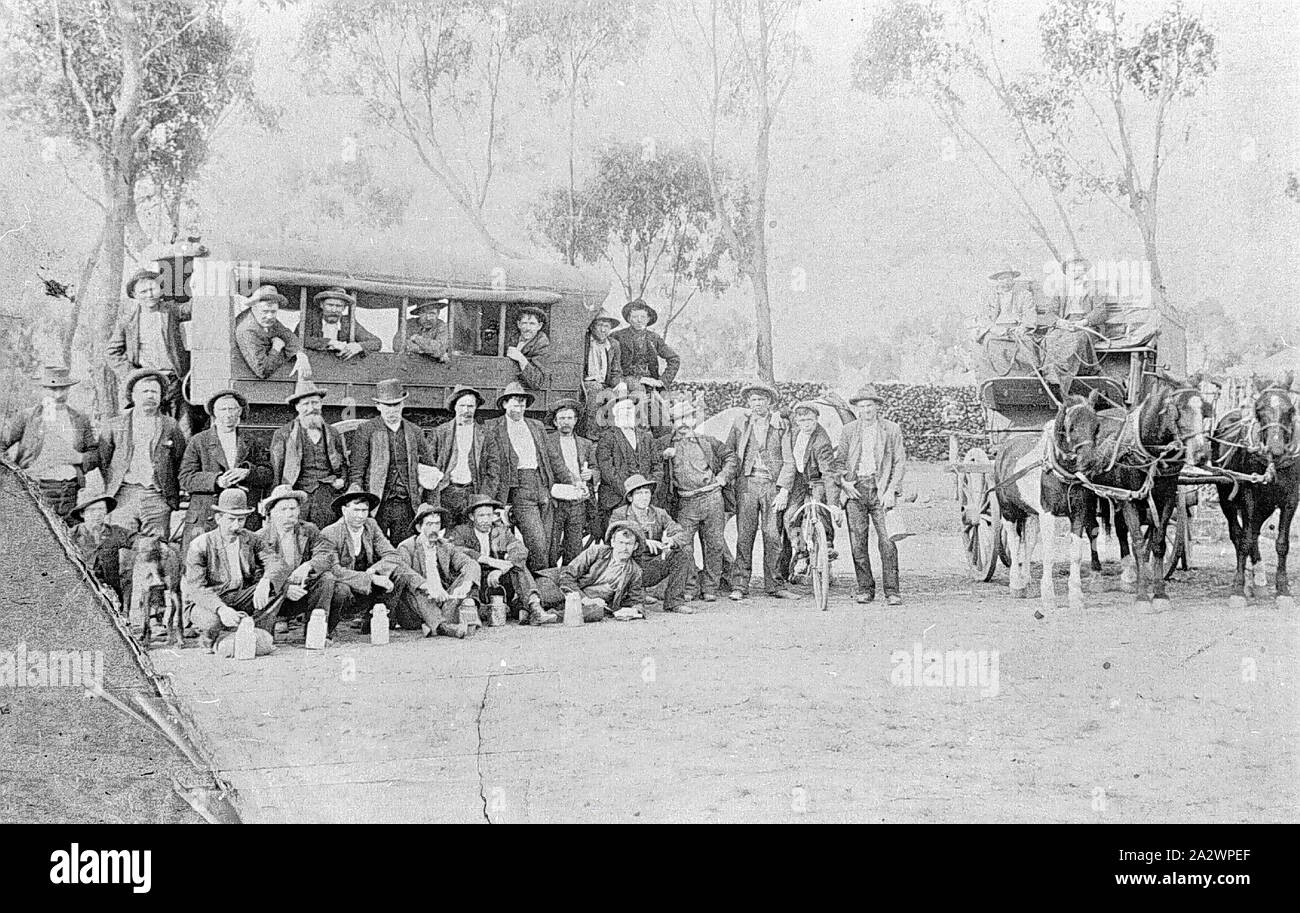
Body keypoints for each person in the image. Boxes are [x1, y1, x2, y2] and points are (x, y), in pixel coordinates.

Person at [182, 488, 289, 652]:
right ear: (218, 518)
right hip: (209, 600)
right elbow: (197, 589)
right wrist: (221, 609)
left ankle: (259, 632)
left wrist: (266, 581)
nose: (236, 525)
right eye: (231, 519)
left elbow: (276, 563)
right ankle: (211, 640)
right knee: (213, 622)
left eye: (241, 520)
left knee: (279, 584)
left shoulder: (251, 538)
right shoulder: (200, 545)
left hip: (240, 595)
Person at [479, 382, 567, 573]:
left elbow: (553, 457)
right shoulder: (493, 427)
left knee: (550, 542)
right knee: (537, 543)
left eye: (522, 404)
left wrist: (571, 481)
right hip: (519, 488)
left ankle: (546, 586)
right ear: (504, 404)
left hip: (542, 485)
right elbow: (490, 464)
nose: (519, 408)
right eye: (515, 403)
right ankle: (537, 586)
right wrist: (487, 499)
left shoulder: (536, 426)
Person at [178, 389, 273, 555]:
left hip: (241, 515)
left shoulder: (251, 441)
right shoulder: (199, 441)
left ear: (240, 411)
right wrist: (217, 480)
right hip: (207, 514)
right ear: (214, 413)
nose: (228, 414)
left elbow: (268, 473)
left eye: (232, 409)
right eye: (223, 409)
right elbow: (185, 478)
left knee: (243, 561)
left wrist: (247, 473)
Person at [725, 381, 796, 601]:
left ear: (769, 403)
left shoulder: (780, 425)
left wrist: (784, 489)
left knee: (772, 536)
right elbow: (728, 452)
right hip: (746, 485)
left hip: (771, 487)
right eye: (754, 400)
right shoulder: (740, 423)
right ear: (748, 403)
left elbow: (789, 460)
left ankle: (775, 585)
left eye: (762, 400)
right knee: (744, 536)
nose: (757, 404)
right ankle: (739, 585)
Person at [836, 385, 906, 606]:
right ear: (857, 409)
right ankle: (865, 589)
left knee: (887, 542)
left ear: (877, 407)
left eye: (870, 405)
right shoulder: (848, 430)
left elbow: (899, 462)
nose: (866, 410)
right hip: (855, 490)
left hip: (881, 488)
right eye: (862, 406)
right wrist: (844, 483)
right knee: (858, 543)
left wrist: (891, 490)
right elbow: (839, 463)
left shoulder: (891, 429)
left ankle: (892, 591)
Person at [661, 398, 736, 603]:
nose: (683, 423)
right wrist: (663, 456)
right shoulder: (666, 444)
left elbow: (730, 457)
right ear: (673, 422)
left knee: (714, 544)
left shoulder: (707, 441)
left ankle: (710, 586)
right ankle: (690, 586)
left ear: (693, 419)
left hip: (712, 498)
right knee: (684, 545)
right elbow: (651, 460)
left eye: (686, 417)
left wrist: (722, 478)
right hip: (686, 501)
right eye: (678, 419)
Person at [99, 369, 187, 539]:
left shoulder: (170, 426)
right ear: (132, 395)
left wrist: (167, 496)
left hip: (156, 496)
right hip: (123, 495)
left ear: (161, 396)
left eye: (154, 391)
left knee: (156, 549)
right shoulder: (115, 425)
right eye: (144, 391)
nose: (150, 396)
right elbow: (104, 460)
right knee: (120, 543)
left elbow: (179, 461)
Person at [319, 487, 422, 634]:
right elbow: (335, 571)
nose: (361, 516)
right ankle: (328, 628)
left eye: (364, 511)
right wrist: (371, 578)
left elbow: (392, 555)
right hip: (347, 585)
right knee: (340, 589)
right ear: (344, 510)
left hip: (368, 586)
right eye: (356, 510)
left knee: (399, 572)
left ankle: (375, 620)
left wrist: (375, 570)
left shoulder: (370, 526)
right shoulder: (331, 533)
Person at [1, 365, 98, 521]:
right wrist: (14, 474)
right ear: (43, 389)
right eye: (53, 389)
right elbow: (2, 444)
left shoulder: (80, 418)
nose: (58, 394)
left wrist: (80, 458)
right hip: (37, 486)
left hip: (70, 489)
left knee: (70, 533)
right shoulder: (28, 417)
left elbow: (95, 453)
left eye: (63, 389)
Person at [347, 378, 438, 544]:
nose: (392, 410)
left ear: (403, 404)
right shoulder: (367, 430)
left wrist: (430, 506)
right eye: (387, 405)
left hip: (406, 503)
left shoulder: (415, 431)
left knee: (405, 547)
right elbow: (357, 470)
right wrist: (357, 502)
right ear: (378, 406)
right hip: (377, 503)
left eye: (396, 405)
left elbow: (431, 471)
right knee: (373, 546)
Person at [448, 495, 551, 625]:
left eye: (489, 515)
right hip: (476, 583)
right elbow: (456, 550)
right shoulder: (461, 532)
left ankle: (534, 606)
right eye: (481, 516)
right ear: (471, 517)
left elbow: (520, 550)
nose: (486, 520)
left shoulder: (500, 531)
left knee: (518, 566)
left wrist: (500, 570)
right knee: (473, 567)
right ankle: (476, 611)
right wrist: (489, 561)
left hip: (498, 580)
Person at [256, 484, 341, 641]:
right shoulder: (260, 538)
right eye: (283, 509)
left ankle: (316, 633)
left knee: (327, 578)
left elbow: (325, 554)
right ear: (271, 513)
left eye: (293, 508)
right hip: (274, 597)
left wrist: (308, 566)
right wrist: (285, 589)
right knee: (263, 643)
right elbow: (257, 575)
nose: (290, 514)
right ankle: (264, 635)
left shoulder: (309, 530)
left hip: (302, 592)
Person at [107, 268, 191, 419]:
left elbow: (192, 308)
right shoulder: (128, 321)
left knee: (182, 431)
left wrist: (200, 284)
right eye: (143, 292)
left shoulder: (171, 310)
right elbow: (112, 352)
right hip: (147, 383)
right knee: (148, 425)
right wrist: (132, 374)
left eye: (153, 289)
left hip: (174, 382)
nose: (149, 295)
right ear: (134, 295)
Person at [269, 379, 349, 527]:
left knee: (327, 536)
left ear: (321, 404)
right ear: (297, 407)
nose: (311, 408)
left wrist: (342, 480)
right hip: (299, 494)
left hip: (328, 494)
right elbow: (276, 471)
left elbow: (343, 462)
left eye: (315, 403)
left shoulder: (333, 433)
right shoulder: (284, 434)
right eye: (305, 404)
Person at [608, 474, 690, 613]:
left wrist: (671, 541)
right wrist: (643, 541)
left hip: (651, 567)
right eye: (639, 493)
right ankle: (632, 597)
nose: (644, 497)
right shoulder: (619, 514)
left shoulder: (659, 513)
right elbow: (614, 538)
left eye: (647, 493)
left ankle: (674, 601)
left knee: (682, 553)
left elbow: (681, 533)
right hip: (628, 567)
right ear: (630, 497)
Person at [534, 523, 646, 622]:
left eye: (629, 544)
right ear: (612, 542)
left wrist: (635, 611)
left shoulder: (634, 571)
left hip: (587, 602)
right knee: (545, 598)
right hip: (557, 583)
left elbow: (636, 599)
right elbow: (567, 576)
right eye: (621, 542)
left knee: (597, 612)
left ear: (635, 546)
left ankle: (551, 616)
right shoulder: (596, 552)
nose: (624, 548)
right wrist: (584, 599)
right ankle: (532, 611)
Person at [394, 504, 477, 638]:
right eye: (429, 524)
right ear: (419, 527)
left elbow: (469, 563)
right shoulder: (406, 547)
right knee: (416, 590)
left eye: (437, 524)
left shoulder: (445, 546)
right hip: (414, 607)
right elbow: (404, 572)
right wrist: (428, 586)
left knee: (467, 577)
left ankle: (433, 625)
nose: (434, 529)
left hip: (442, 601)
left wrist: (465, 585)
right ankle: (442, 626)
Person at [784, 401, 843, 569]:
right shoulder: (794, 432)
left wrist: (834, 504)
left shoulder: (821, 441)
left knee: (819, 505)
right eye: (802, 421)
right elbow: (786, 413)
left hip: (818, 479)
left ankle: (828, 543)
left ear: (817, 419)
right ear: (796, 421)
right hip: (800, 479)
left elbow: (829, 473)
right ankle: (800, 550)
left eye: (810, 420)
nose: (806, 425)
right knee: (790, 516)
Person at [594, 395, 661, 534]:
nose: (628, 413)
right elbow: (607, 471)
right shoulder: (607, 437)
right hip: (617, 499)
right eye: (623, 410)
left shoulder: (646, 437)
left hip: (644, 499)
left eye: (630, 409)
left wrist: (647, 490)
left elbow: (657, 466)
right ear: (616, 414)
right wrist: (628, 492)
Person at [1043, 257, 1106, 401]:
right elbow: (1050, 312)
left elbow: (1100, 311)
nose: (1075, 271)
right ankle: (1049, 374)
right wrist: (1060, 322)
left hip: (1086, 325)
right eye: (1071, 268)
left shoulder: (1095, 288)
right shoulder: (1061, 290)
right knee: (1051, 337)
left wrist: (1084, 322)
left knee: (1076, 338)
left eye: (1078, 268)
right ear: (1067, 271)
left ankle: (1060, 380)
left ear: (1084, 270)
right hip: (1066, 324)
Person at [546, 398, 598, 566]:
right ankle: (550, 579)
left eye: (569, 418)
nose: (565, 422)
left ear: (575, 421)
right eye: (561, 418)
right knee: (551, 544)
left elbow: (596, 468)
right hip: (556, 502)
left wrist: (591, 474)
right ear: (555, 421)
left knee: (574, 546)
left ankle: (570, 580)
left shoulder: (586, 444)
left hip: (578, 502)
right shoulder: (547, 442)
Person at [427, 385, 486, 526]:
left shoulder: (485, 435)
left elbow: (493, 470)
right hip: (446, 492)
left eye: (470, 406)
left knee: (470, 536)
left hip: (472, 493)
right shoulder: (440, 432)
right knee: (446, 538)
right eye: (462, 405)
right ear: (454, 407)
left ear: (476, 408)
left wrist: (483, 497)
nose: (466, 410)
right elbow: (429, 466)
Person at [68, 488, 134, 600]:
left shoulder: (115, 532)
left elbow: (139, 540)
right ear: (82, 513)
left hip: (112, 593)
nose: (98, 514)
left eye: (101, 509)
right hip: (81, 590)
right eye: (92, 510)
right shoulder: (71, 535)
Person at [972, 268, 1038, 380]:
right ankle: (995, 378)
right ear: (997, 280)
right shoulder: (988, 296)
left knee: (1027, 344)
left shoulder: (1024, 295)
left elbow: (1030, 314)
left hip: (1017, 329)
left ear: (1013, 280)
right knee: (990, 344)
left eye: (1008, 278)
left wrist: (1023, 328)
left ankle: (1027, 377)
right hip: (996, 330)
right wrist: (995, 329)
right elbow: (983, 317)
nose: (1005, 282)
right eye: (1002, 278)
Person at [234, 284, 311, 380]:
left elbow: (287, 335)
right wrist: (276, 348)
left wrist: (300, 355)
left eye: (273, 311)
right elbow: (262, 371)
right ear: (254, 308)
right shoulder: (247, 330)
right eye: (265, 311)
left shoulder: (265, 319)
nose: (270, 316)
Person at [611, 299, 680, 397]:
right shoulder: (617, 336)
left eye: (643, 317)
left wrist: (663, 381)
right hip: (626, 381)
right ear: (629, 318)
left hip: (650, 382)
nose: (639, 320)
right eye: (635, 317)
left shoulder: (654, 338)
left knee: (659, 407)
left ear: (648, 319)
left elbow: (674, 358)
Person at [301, 287, 381, 361]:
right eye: (330, 305)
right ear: (322, 305)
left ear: (343, 308)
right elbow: (300, 339)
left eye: (338, 306)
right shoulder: (311, 320)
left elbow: (376, 342)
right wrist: (330, 342)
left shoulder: (348, 322)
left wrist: (358, 346)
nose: (334, 310)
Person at [581, 311, 623, 433]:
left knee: (619, 396)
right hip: (587, 382)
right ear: (592, 326)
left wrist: (616, 385)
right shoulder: (585, 342)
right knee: (595, 392)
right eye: (600, 325)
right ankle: (591, 435)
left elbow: (616, 369)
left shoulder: (613, 345)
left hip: (605, 384)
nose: (603, 330)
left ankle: (613, 435)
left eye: (607, 326)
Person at [505, 306, 551, 391]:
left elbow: (537, 382)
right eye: (524, 323)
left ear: (539, 326)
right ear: (519, 324)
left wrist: (520, 358)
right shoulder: (512, 339)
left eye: (532, 324)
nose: (528, 328)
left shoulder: (542, 345)